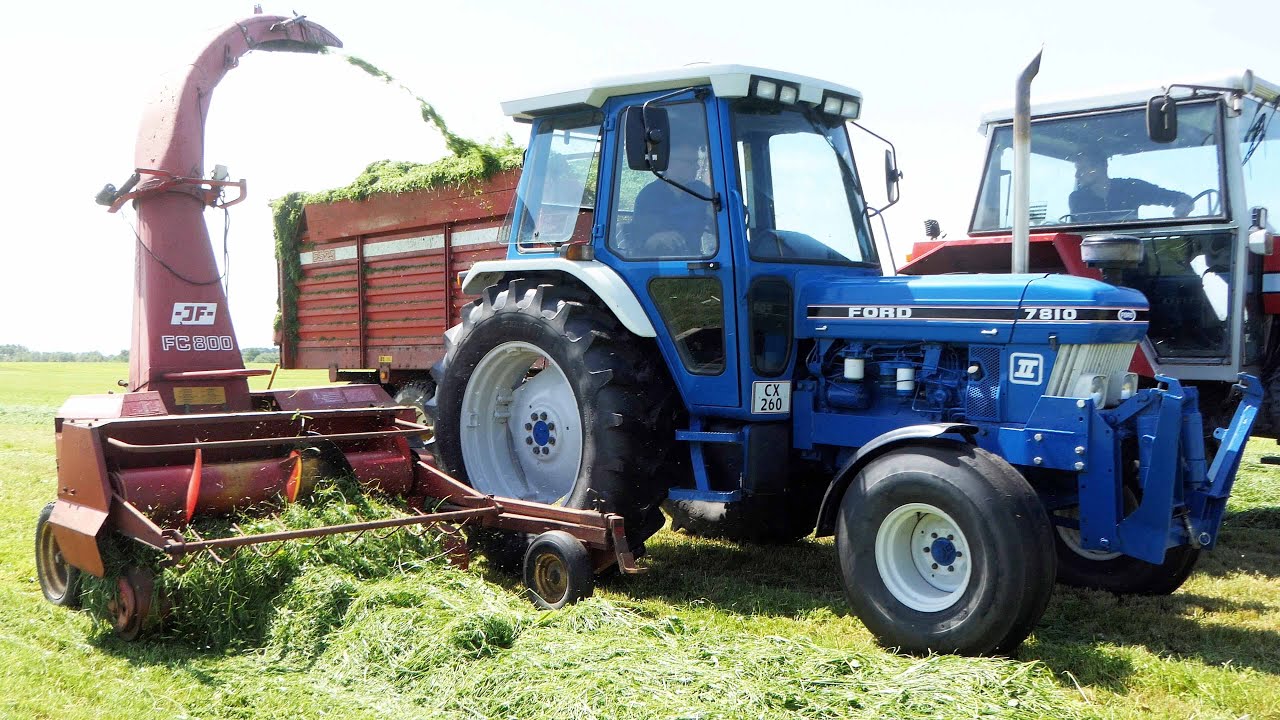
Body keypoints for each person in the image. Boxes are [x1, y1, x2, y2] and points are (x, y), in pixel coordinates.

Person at [628, 134, 716, 257]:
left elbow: (726, 222)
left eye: (697, 162)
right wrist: (655, 239)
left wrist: (716, 216)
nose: (696, 167)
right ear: (670, 162)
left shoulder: (701, 190)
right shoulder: (649, 196)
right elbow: (638, 242)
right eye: (690, 162)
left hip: (699, 261)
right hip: (660, 264)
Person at [1068, 153, 1194, 220]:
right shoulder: (1077, 198)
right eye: (1077, 169)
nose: (1077, 175)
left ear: (1102, 167)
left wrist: (1184, 205)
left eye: (1083, 168)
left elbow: (1179, 198)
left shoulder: (1131, 187)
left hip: (1133, 257)